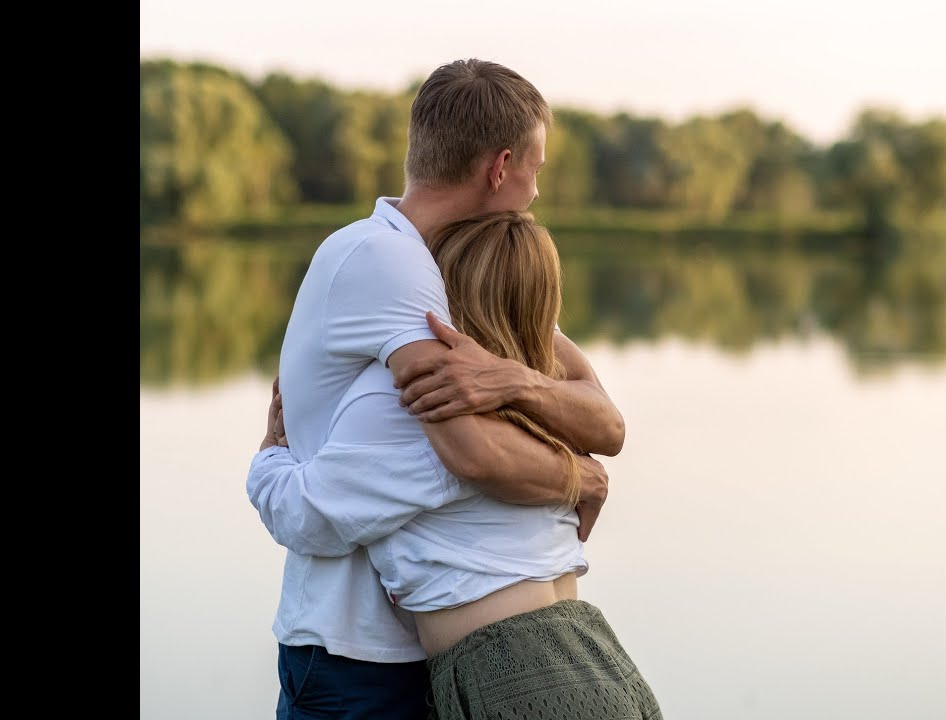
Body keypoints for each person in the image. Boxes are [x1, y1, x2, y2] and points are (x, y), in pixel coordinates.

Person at [247, 59, 625, 720]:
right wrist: (580, 479)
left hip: (443, 652)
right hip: (358, 655)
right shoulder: (387, 260)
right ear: (500, 166)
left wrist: (518, 381)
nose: (536, 192)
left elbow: (605, 420)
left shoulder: (472, 272)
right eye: (537, 169)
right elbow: (470, 452)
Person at [260, 210, 663, 719]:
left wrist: (271, 452)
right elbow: (607, 423)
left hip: (519, 687)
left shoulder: (417, 407)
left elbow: (307, 515)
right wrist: (578, 473)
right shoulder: (551, 408)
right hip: (601, 666)